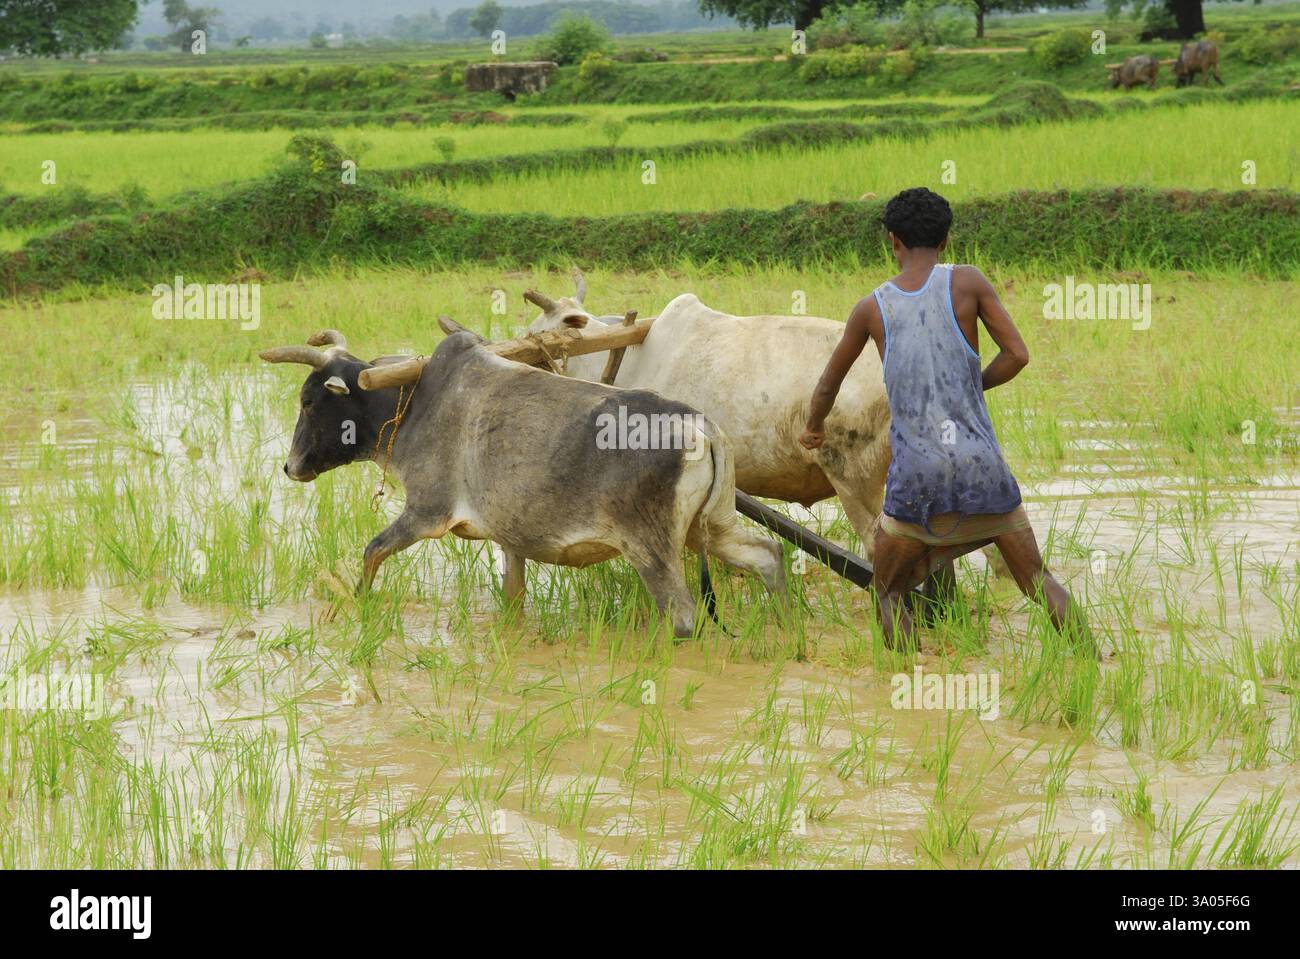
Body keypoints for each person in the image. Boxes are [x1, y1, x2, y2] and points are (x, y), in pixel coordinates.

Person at [798, 187, 1089, 651]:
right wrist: (971, 388)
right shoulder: (968, 283)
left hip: (918, 477)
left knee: (890, 593)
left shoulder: (872, 308)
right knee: (1037, 579)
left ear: (892, 242)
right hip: (983, 470)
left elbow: (828, 385)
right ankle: (1094, 664)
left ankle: (910, 695)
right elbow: (1017, 355)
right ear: (947, 239)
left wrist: (813, 428)